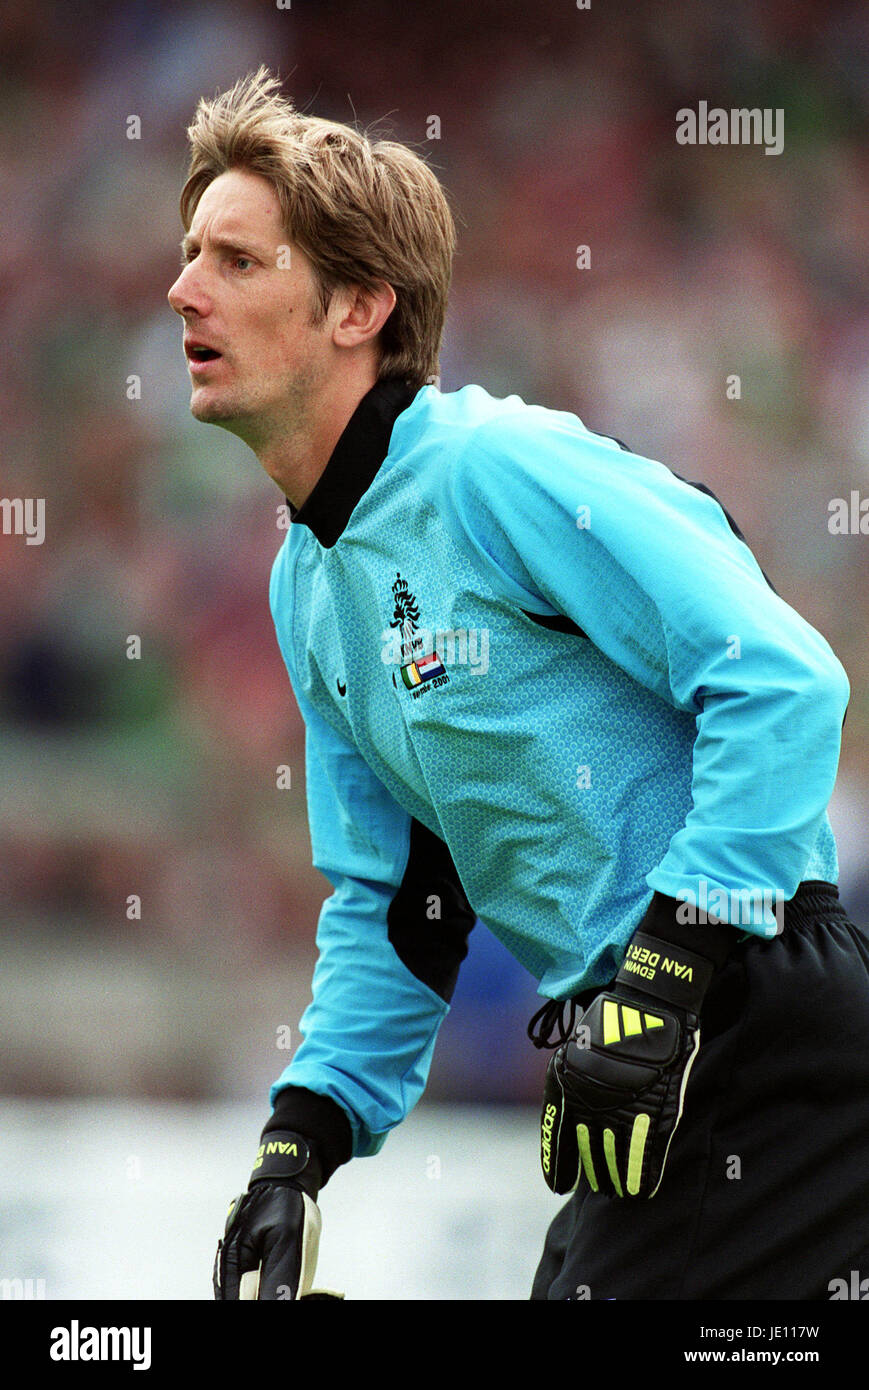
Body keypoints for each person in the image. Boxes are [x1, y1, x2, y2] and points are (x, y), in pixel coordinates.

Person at [167, 66, 869, 1301]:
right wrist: (301, 1142)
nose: (181, 290)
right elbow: (402, 899)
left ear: (358, 306)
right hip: (641, 1046)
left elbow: (784, 680)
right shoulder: (303, 580)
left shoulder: (497, 467)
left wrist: (660, 971)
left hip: (752, 1020)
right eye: (189, 254)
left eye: (235, 259)